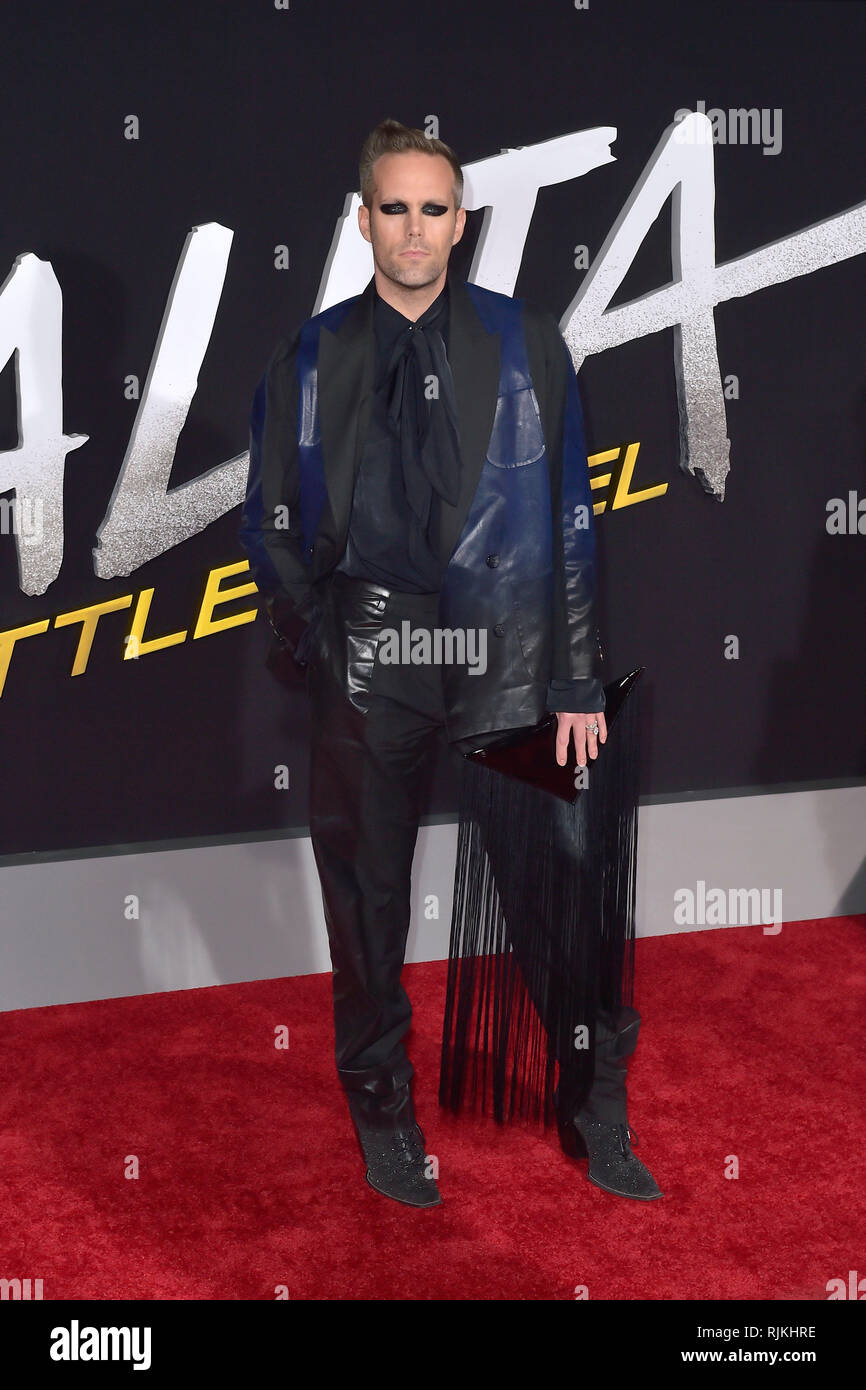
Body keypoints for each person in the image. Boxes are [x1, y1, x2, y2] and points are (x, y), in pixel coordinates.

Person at [240, 118, 662, 1207]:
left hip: (510, 653)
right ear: (364, 218)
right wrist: (321, 646)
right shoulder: (313, 353)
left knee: (557, 894)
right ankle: (381, 1111)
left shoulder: (530, 343)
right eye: (394, 209)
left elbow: (571, 515)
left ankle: (591, 1104)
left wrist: (575, 677)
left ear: (460, 222)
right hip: (373, 658)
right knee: (369, 900)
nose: (414, 230)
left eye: (434, 210)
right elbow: (271, 524)